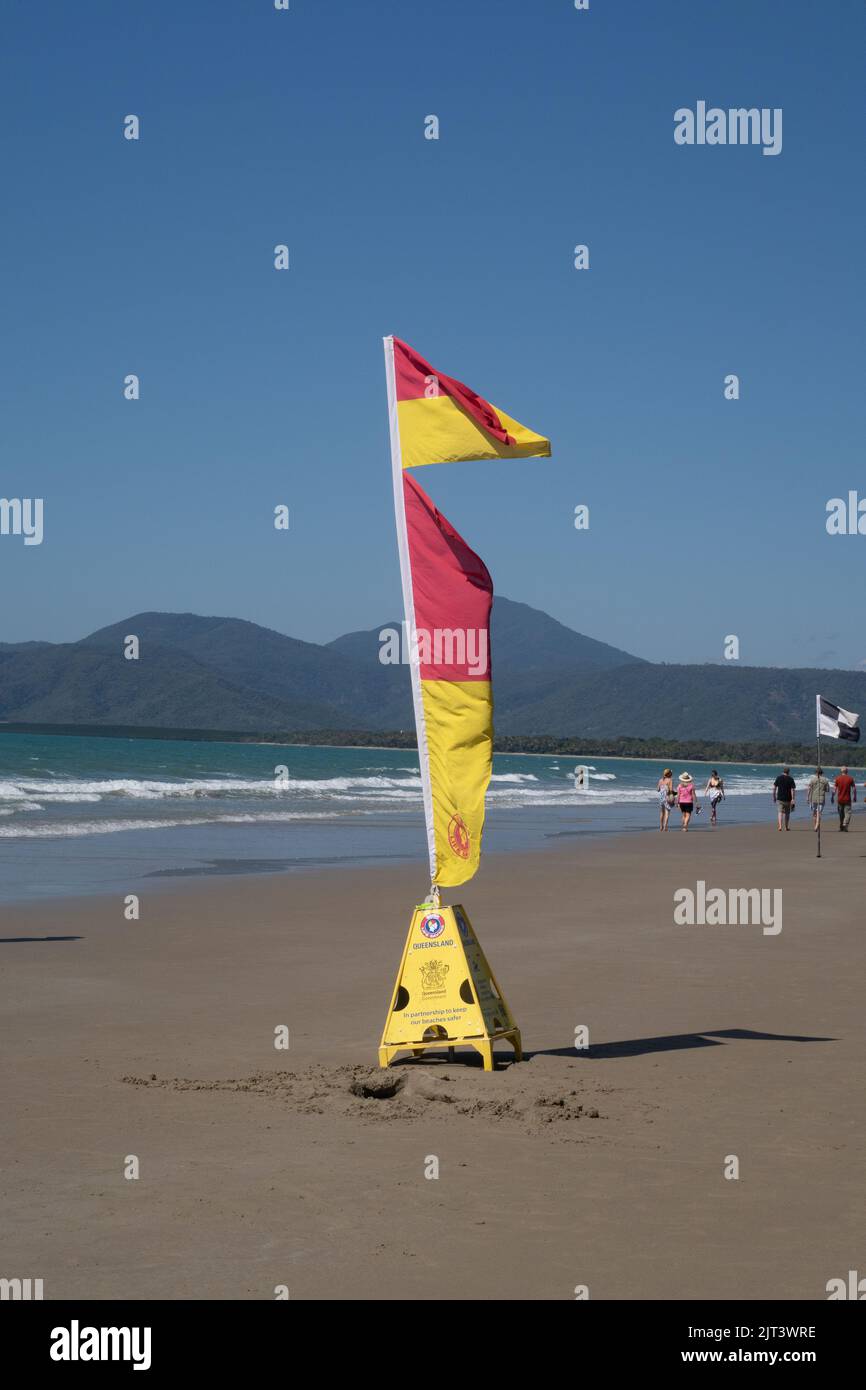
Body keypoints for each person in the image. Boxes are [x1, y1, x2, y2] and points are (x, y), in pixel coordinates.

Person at [832, 765, 857, 831]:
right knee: (848, 813)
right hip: (847, 799)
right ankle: (844, 824)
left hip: (840, 799)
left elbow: (834, 789)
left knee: (841, 814)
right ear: (847, 771)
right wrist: (855, 796)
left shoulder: (838, 778)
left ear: (841, 771)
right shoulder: (850, 778)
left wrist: (832, 796)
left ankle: (842, 827)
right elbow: (854, 788)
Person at [806, 766, 830, 832]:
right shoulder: (825, 780)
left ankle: (816, 825)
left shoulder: (812, 780)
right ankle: (817, 825)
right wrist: (823, 788)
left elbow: (809, 789)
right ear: (821, 773)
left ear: (816, 773)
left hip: (813, 798)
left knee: (814, 813)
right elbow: (828, 790)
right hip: (821, 798)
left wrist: (807, 798)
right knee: (819, 812)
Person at [773, 766, 796, 831]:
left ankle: (780, 826)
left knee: (780, 812)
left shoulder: (778, 778)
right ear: (788, 772)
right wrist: (793, 799)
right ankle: (786, 827)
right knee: (787, 813)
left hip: (780, 798)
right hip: (788, 799)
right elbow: (792, 790)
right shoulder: (791, 779)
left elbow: (774, 788)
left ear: (783, 771)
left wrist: (774, 796)